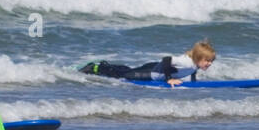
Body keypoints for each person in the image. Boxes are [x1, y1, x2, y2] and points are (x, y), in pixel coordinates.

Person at [80, 41, 216, 85]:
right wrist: (169, 79)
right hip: (151, 73)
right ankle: (96, 67)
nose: (209, 63)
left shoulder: (194, 65)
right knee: (123, 75)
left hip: (154, 68)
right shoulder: (187, 62)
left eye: (211, 61)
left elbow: (193, 72)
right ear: (198, 58)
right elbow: (167, 59)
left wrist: (194, 84)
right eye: (207, 60)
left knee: (128, 70)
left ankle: (102, 64)